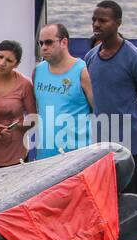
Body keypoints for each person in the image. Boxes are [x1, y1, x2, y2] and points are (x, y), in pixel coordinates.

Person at [86, 0, 137, 211]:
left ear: (118, 23)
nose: (96, 25)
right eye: (94, 20)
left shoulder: (135, 59)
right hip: (103, 150)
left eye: (103, 20)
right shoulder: (91, 57)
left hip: (134, 149)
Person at [32, 22, 94, 159]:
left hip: (77, 158)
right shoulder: (38, 71)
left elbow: (99, 112)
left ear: (64, 42)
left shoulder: (83, 71)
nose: (44, 48)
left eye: (48, 43)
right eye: (40, 43)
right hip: (45, 158)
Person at [0, 39, 37, 169]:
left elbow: (34, 119)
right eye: (0, 57)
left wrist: (15, 126)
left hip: (16, 151)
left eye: (9, 61)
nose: (2, 63)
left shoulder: (25, 84)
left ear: (17, 64)